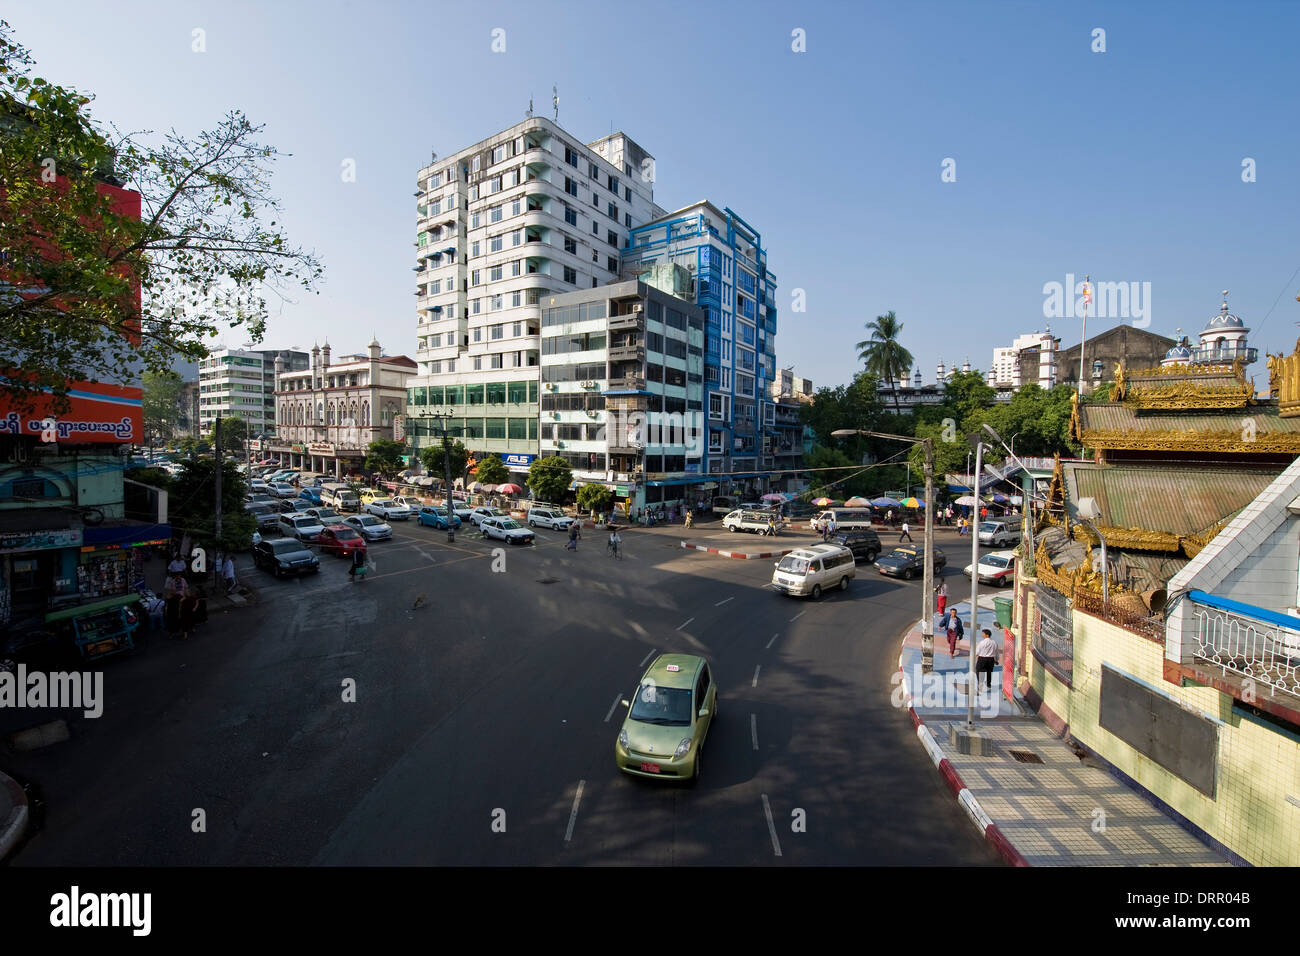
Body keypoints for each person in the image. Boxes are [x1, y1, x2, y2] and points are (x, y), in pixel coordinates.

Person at [975, 628, 999, 693]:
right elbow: (996, 652)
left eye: (983, 634)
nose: (982, 635)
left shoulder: (982, 643)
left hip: (982, 659)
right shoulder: (994, 643)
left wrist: (975, 655)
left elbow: (977, 651)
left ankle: (980, 684)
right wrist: (996, 660)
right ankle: (988, 684)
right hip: (991, 660)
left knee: (979, 671)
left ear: (987, 635)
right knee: (989, 672)